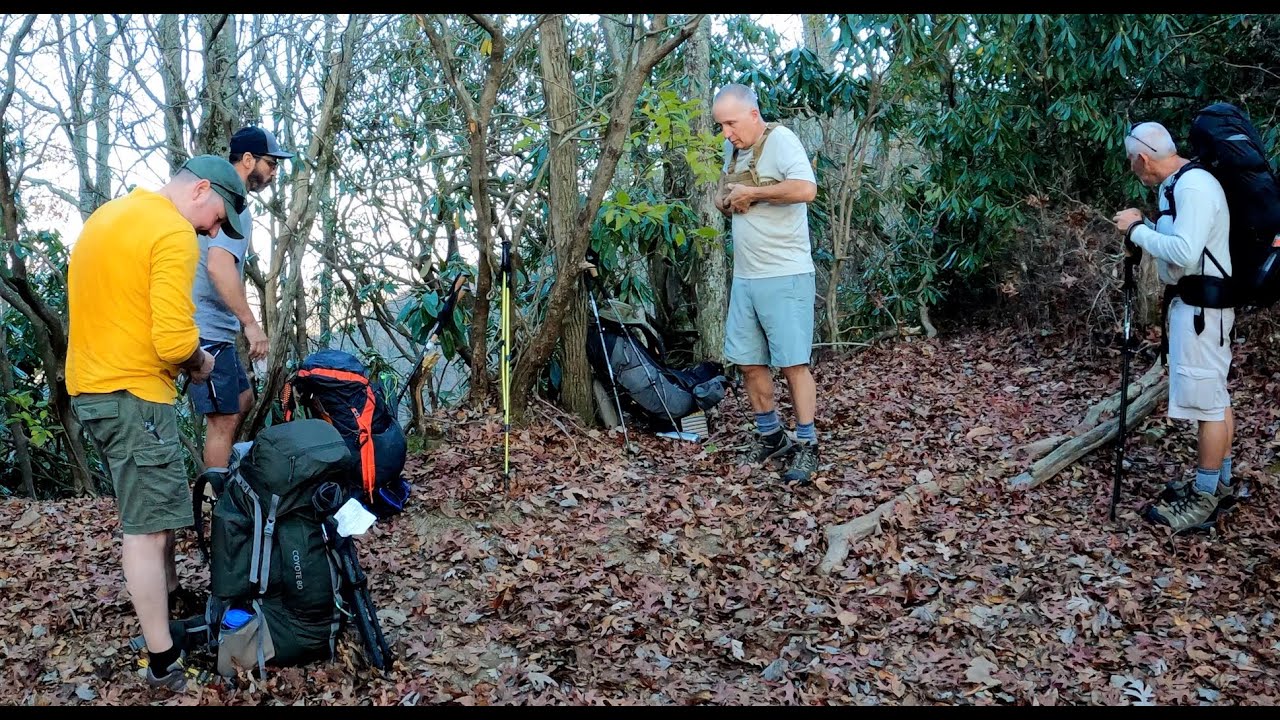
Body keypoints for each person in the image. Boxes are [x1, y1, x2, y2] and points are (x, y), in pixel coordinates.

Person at [67, 155, 247, 690]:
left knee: (155, 512)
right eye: (219, 217)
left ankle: (166, 607)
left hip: (91, 388)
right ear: (200, 192)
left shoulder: (109, 216)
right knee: (146, 530)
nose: (214, 230)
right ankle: (163, 659)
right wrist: (201, 363)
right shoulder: (171, 232)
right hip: (133, 394)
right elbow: (172, 339)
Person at [1112, 121, 1236, 533]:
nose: (1134, 170)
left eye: (1133, 163)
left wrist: (1137, 230)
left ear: (1143, 159)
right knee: (1213, 396)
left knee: (1208, 404)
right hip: (1198, 307)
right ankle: (1218, 483)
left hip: (1205, 311)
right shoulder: (1178, 186)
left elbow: (1184, 250)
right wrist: (1147, 229)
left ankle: (1205, 498)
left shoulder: (1193, 186)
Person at [711, 83, 821, 484]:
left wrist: (754, 193)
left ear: (753, 115)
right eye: (721, 125)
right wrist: (727, 201)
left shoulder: (782, 140)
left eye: (731, 123)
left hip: (786, 273)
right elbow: (723, 196)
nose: (726, 133)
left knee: (793, 363)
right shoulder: (732, 149)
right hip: (745, 276)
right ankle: (770, 435)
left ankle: (807, 444)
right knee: (749, 362)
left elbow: (806, 189)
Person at [188, 126, 292, 472]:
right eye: (270, 163)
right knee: (224, 419)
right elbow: (219, 268)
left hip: (215, 328)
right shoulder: (232, 205)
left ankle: (226, 475)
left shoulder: (219, 198)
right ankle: (218, 508)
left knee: (243, 398)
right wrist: (251, 325)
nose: (274, 172)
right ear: (247, 160)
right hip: (206, 332)